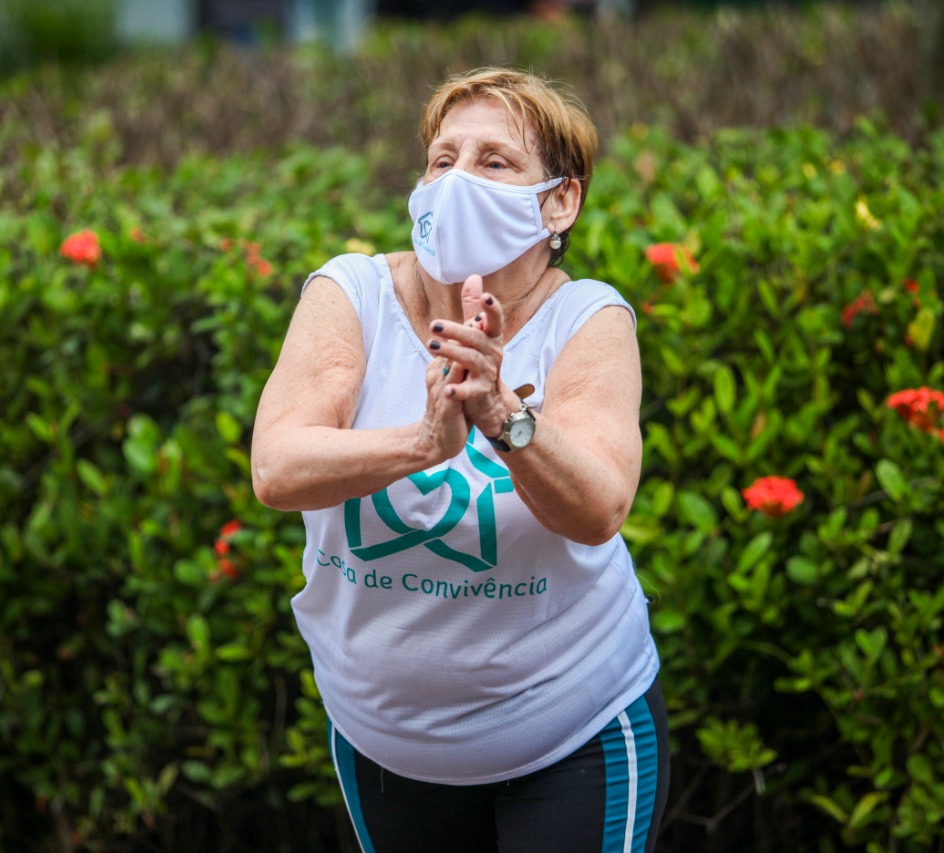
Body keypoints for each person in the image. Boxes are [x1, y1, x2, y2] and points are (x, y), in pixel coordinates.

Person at [251, 67, 668, 853]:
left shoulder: (588, 319)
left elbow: (600, 506)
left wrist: (504, 417)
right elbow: (277, 466)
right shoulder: (353, 295)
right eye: (442, 160)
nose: (456, 182)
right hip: (384, 745)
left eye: (494, 162)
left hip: (572, 736)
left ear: (560, 202)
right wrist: (422, 442)